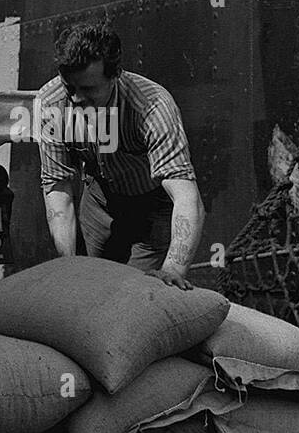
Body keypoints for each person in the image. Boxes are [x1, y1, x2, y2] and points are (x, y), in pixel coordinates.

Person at [38, 19, 205, 288]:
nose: (77, 99)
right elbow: (58, 188)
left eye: (89, 89)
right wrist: (67, 265)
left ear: (115, 75)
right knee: (88, 288)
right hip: (98, 201)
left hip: (151, 208)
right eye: (71, 87)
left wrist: (174, 268)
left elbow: (186, 195)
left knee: (134, 292)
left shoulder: (152, 107)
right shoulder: (51, 104)